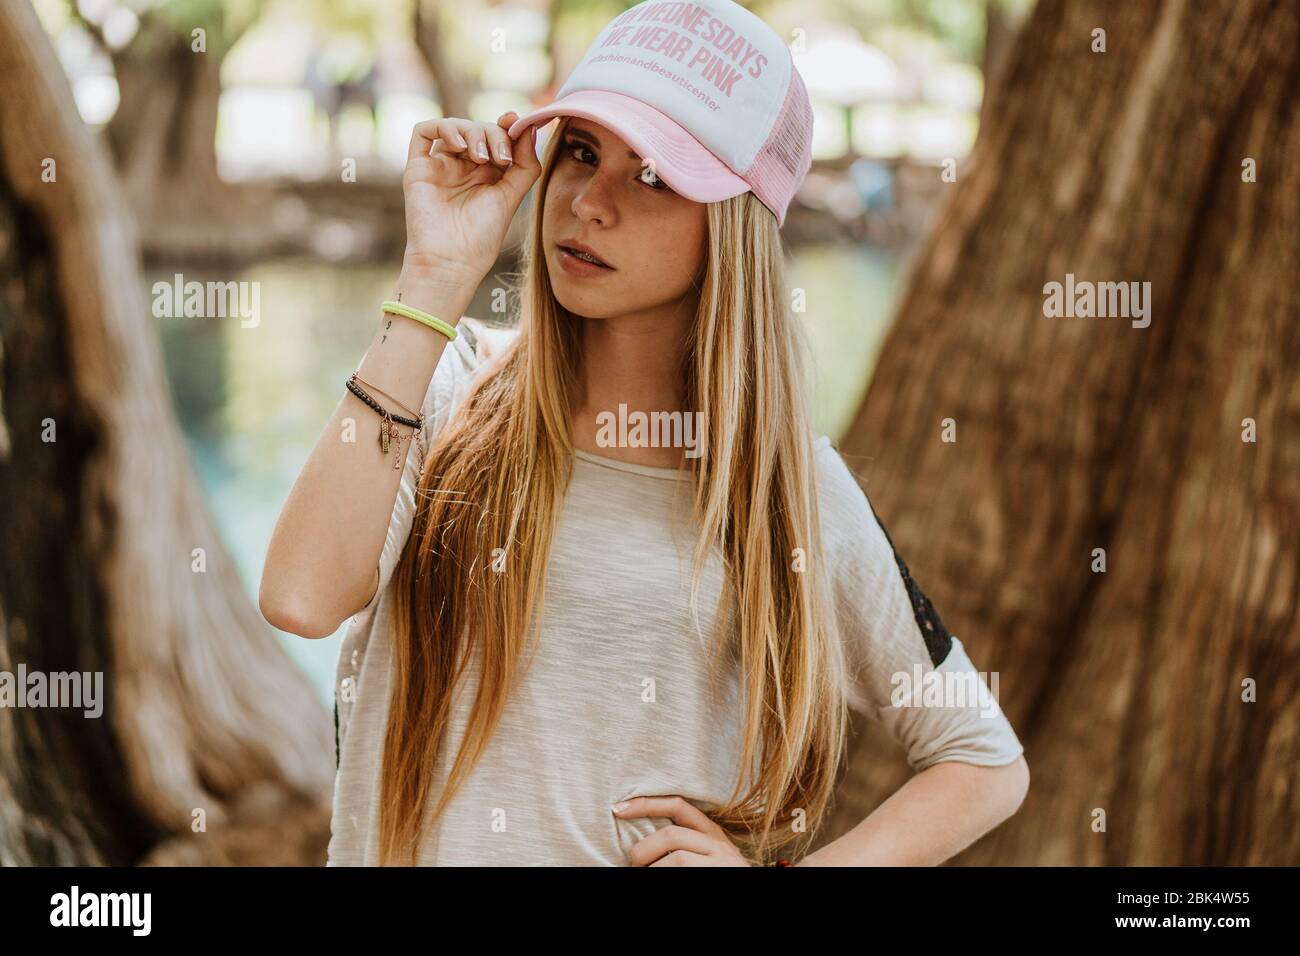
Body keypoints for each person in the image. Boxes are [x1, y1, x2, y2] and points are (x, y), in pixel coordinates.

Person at [260, 0, 1028, 867]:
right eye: (581, 152)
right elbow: (300, 596)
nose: (589, 203)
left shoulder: (787, 488)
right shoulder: (441, 391)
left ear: (733, 224)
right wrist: (433, 281)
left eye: (654, 175)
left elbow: (982, 761)